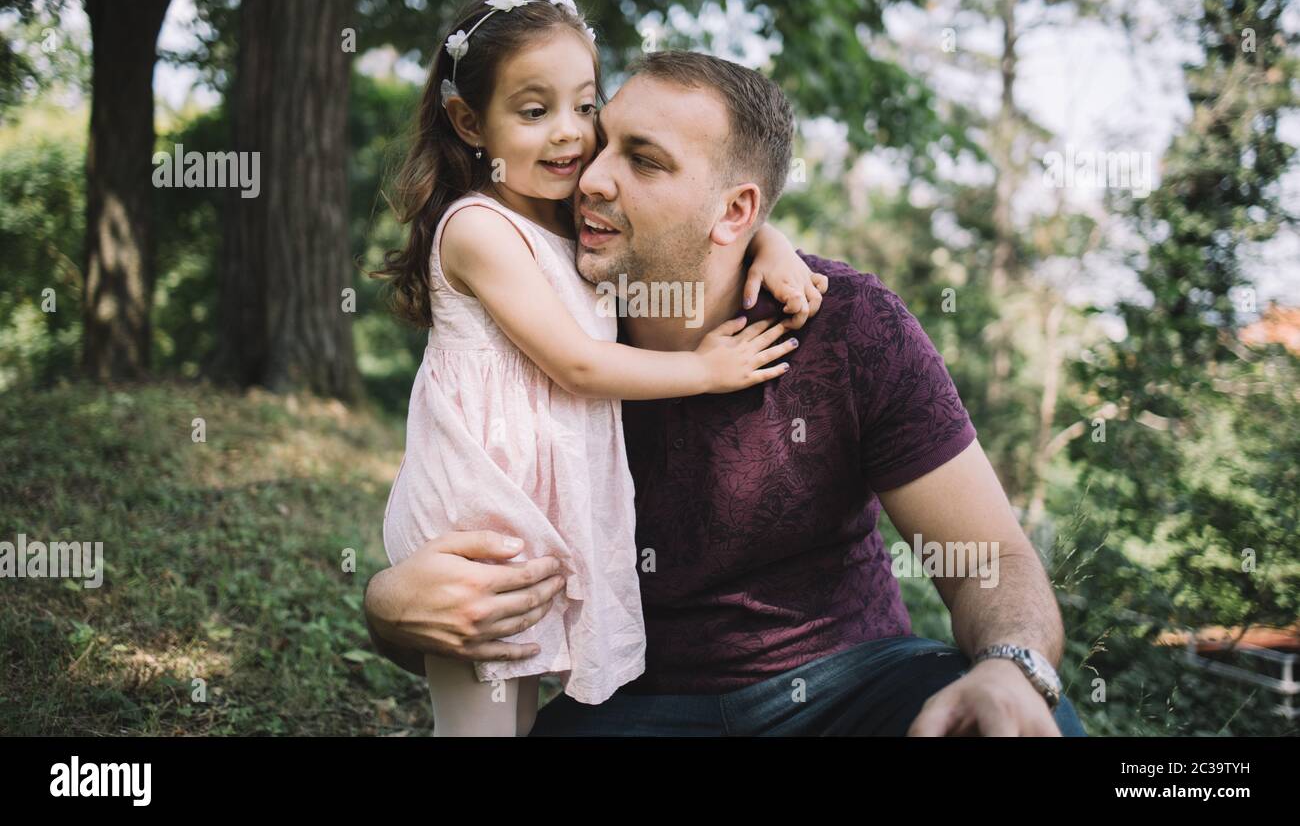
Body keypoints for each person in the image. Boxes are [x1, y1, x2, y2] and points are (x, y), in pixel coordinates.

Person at [365, 47, 1088, 737]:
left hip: (852, 688)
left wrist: (1011, 668)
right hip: (638, 708)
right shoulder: (544, 336)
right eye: (601, 141)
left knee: (1011, 723)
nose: (591, 176)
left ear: (738, 213)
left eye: (643, 160)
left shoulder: (849, 325)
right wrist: (388, 610)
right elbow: (473, 622)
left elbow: (991, 559)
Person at [370, 0, 827, 737]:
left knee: (519, 717)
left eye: (585, 108)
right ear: (468, 122)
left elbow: (708, 219)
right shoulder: (477, 228)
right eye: (532, 110)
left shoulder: (566, 221)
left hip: (541, 504)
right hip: (482, 515)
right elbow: (577, 366)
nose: (570, 136)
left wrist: (770, 245)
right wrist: (707, 370)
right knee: (482, 722)